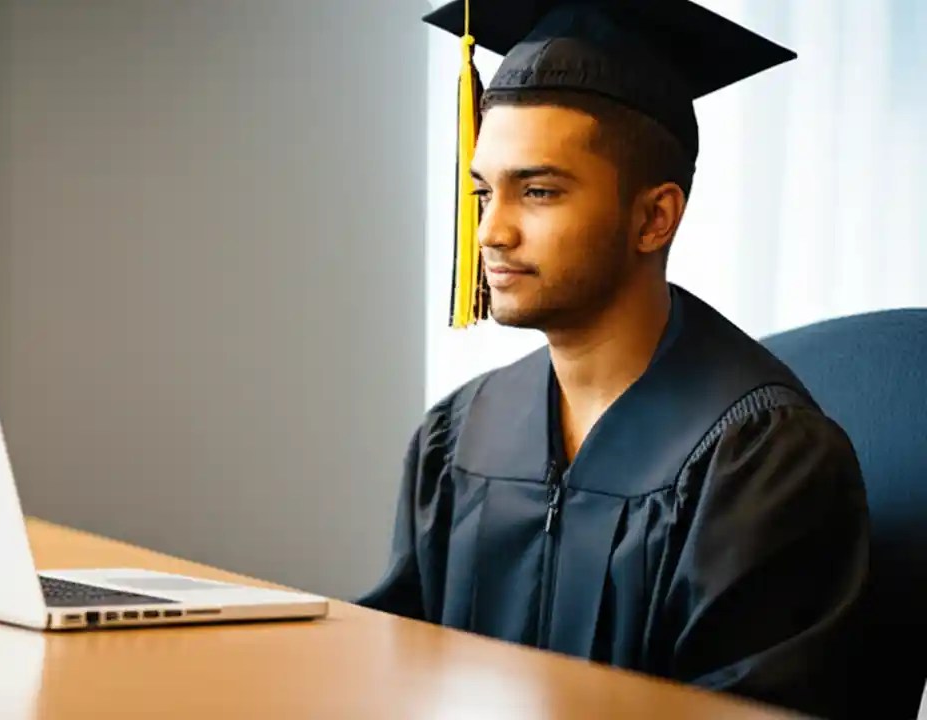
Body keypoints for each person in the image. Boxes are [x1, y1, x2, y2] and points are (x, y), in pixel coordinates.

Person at [356, 1, 870, 718]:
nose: (491, 230)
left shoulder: (761, 461)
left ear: (654, 217)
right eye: (483, 192)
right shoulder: (457, 437)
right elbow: (391, 662)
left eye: (537, 192)